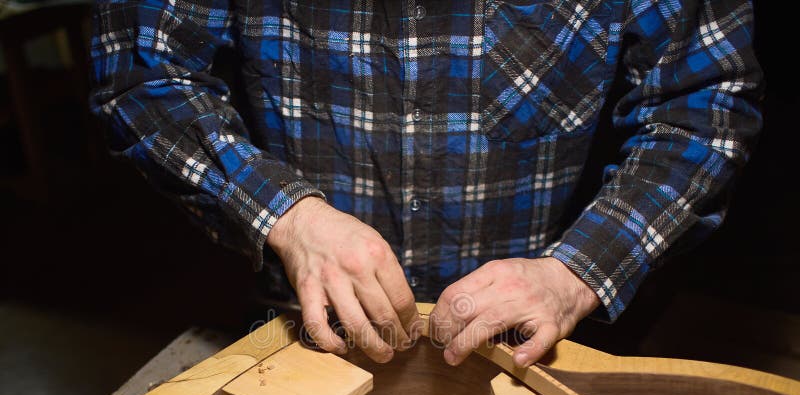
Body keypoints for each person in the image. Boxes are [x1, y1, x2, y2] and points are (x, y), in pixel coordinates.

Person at [90, 1, 762, 367]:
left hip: (528, 347)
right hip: (303, 331)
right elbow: (138, 71)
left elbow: (702, 107)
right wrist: (286, 217)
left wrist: (574, 274)